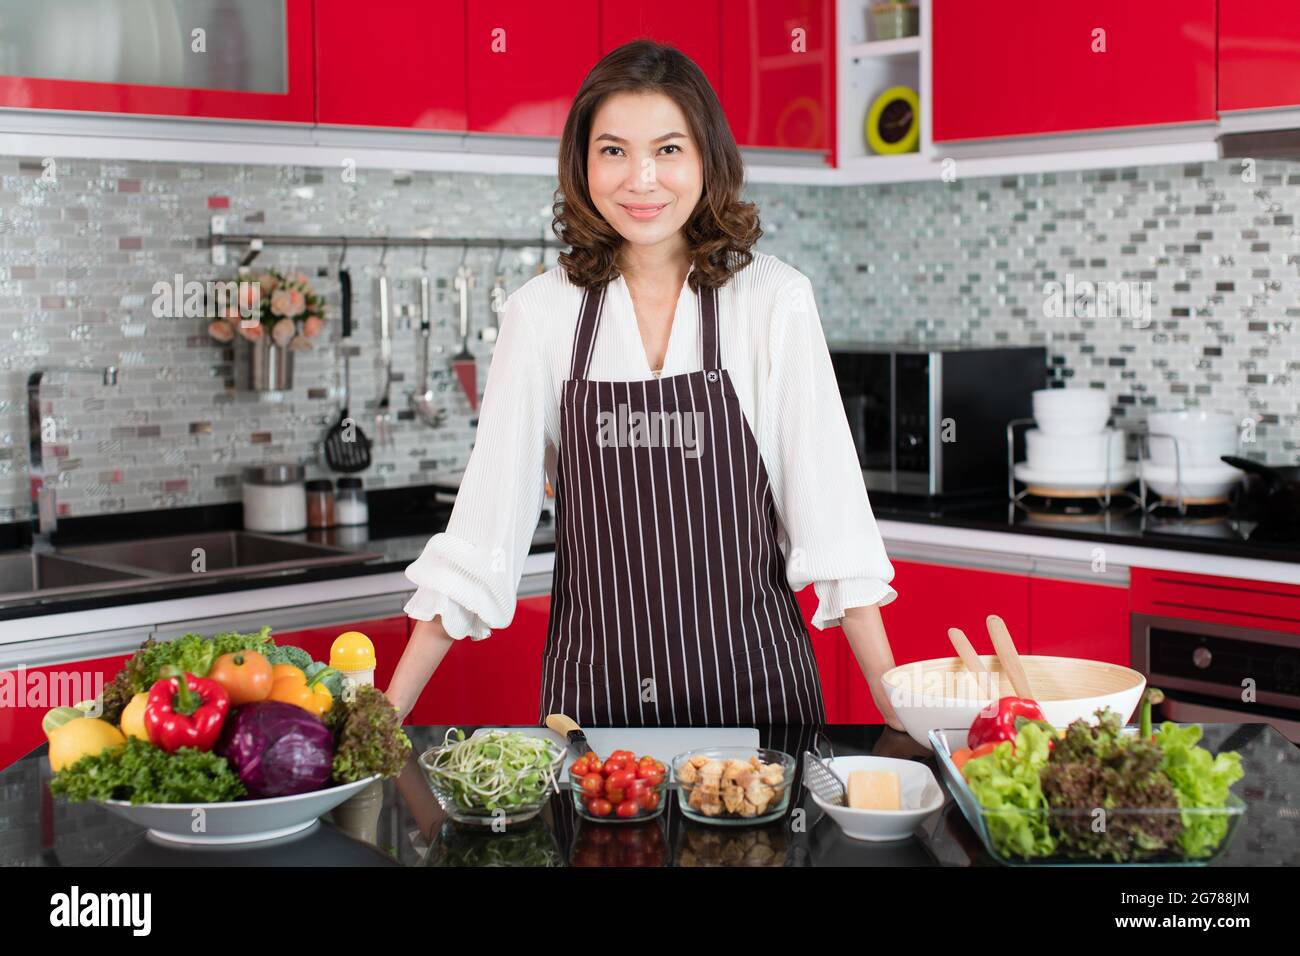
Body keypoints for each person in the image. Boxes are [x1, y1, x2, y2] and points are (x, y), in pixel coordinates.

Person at [385, 40, 902, 729]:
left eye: (667, 149)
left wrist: (898, 711)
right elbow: (483, 534)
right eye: (613, 151)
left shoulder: (773, 299)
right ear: (583, 163)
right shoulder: (541, 314)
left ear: (705, 158)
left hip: (759, 710)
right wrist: (387, 715)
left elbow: (832, 521)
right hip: (596, 714)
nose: (641, 179)